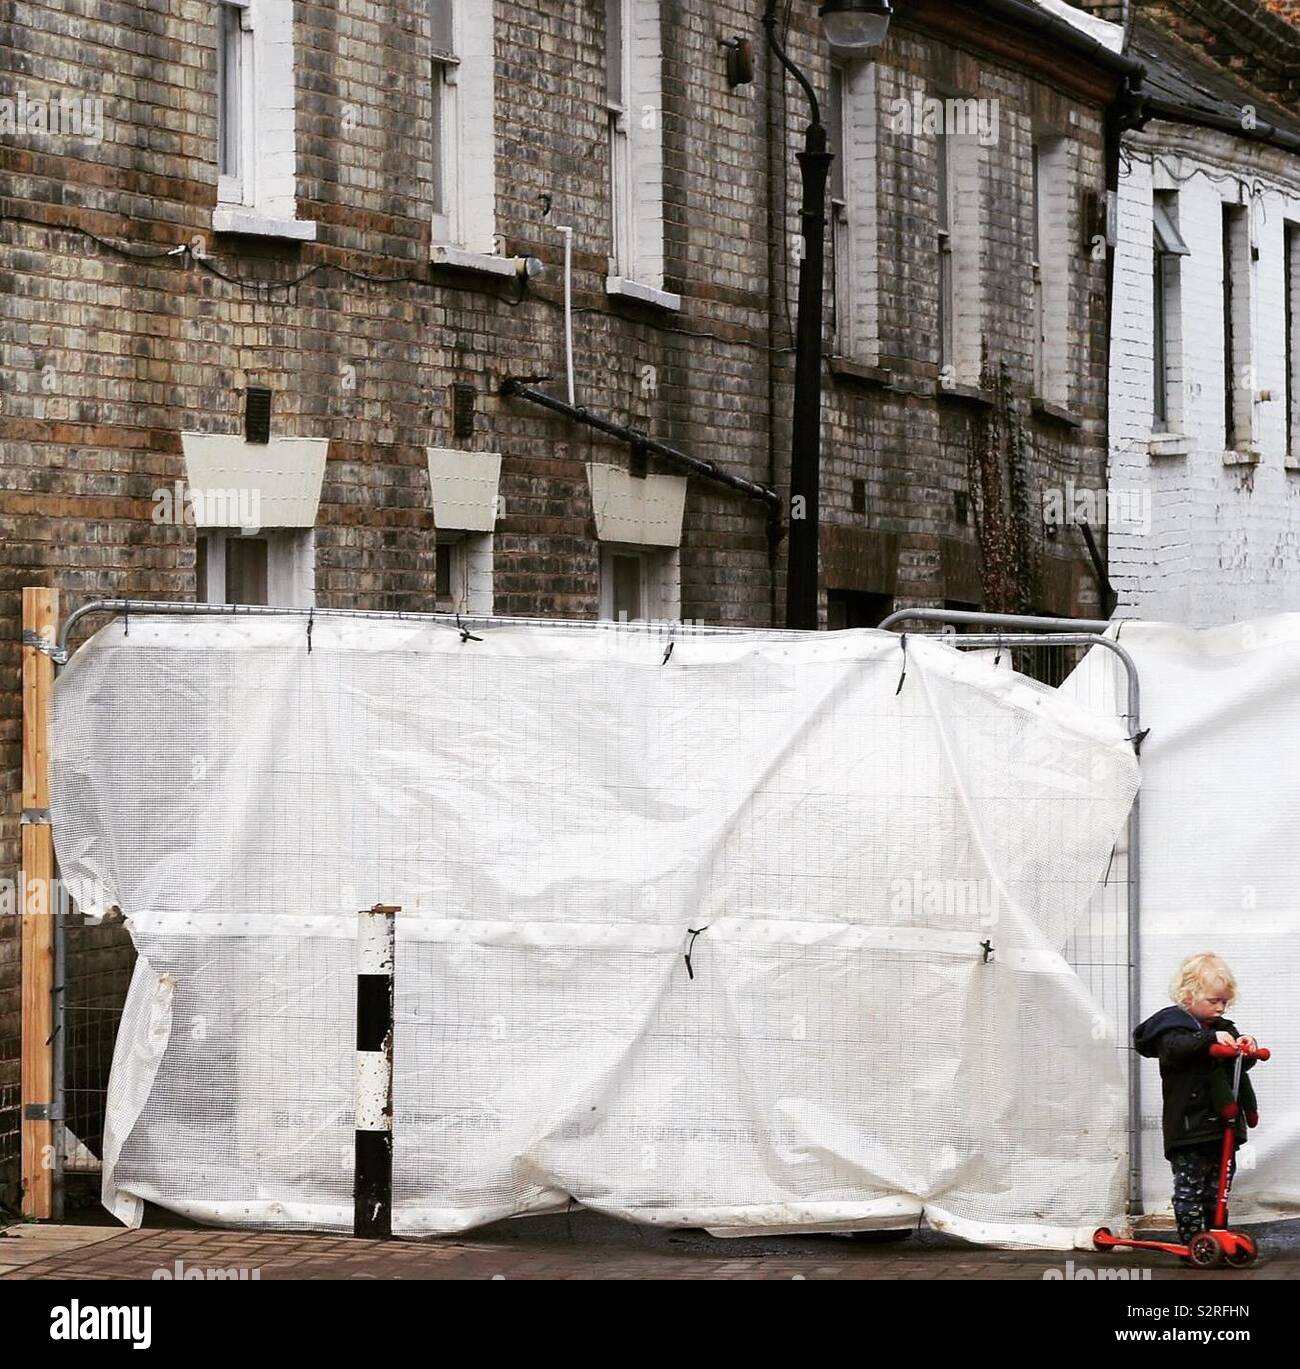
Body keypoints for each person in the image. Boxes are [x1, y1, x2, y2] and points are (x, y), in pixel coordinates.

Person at [1132, 952, 1260, 1245]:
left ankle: (1216, 1236)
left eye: (1224, 1002)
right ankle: (1194, 1241)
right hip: (1189, 1128)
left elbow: (1240, 1066)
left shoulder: (1224, 1029)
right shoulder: (1171, 1029)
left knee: (1219, 1188)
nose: (1220, 1008)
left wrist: (1246, 1046)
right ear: (1188, 996)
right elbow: (1178, 1049)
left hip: (1222, 1128)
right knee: (1190, 1187)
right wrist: (1209, 1041)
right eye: (1213, 1001)